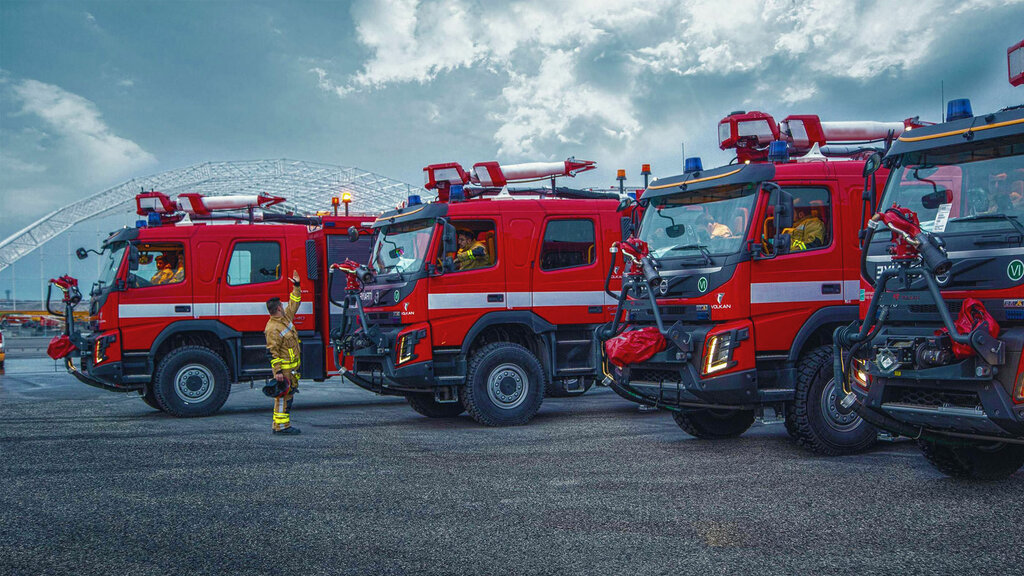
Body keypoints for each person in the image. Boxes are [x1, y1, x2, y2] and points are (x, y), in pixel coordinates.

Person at [265, 270, 303, 435]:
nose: (285, 305)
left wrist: (296, 286)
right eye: (282, 304)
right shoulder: (273, 328)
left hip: (291, 370)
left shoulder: (284, 318)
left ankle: (282, 425)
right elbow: (272, 352)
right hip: (285, 371)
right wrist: (278, 372)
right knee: (282, 398)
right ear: (279, 307)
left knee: (288, 397)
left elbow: (294, 302)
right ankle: (280, 427)